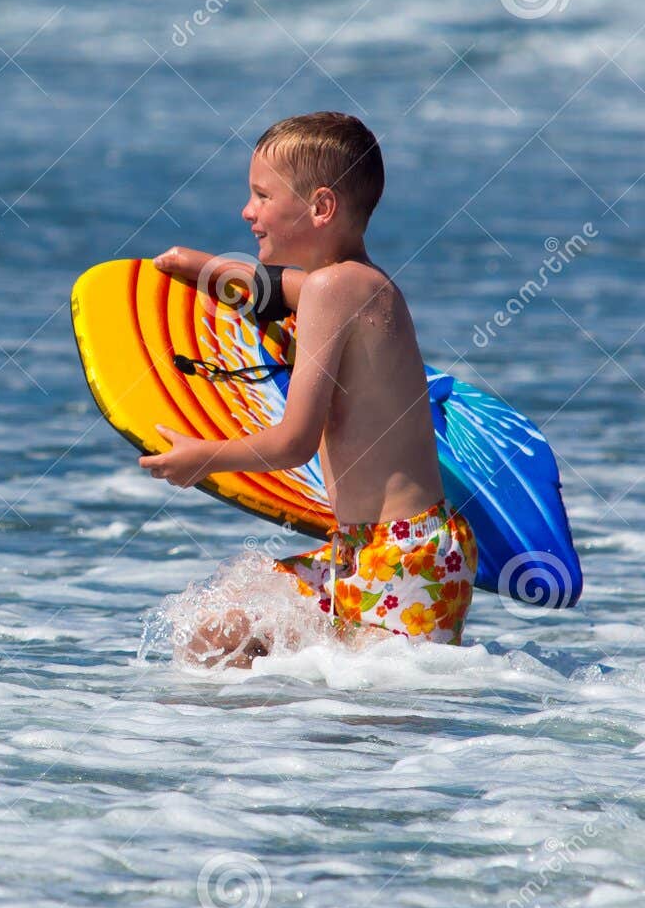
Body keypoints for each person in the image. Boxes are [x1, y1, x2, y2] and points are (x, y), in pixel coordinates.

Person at [139, 112, 477, 665]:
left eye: (262, 195)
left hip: (402, 556)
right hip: (375, 548)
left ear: (321, 207)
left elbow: (294, 442)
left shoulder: (334, 289)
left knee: (377, 707)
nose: (247, 211)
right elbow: (278, 289)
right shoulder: (356, 283)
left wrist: (202, 459)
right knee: (217, 636)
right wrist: (197, 266)